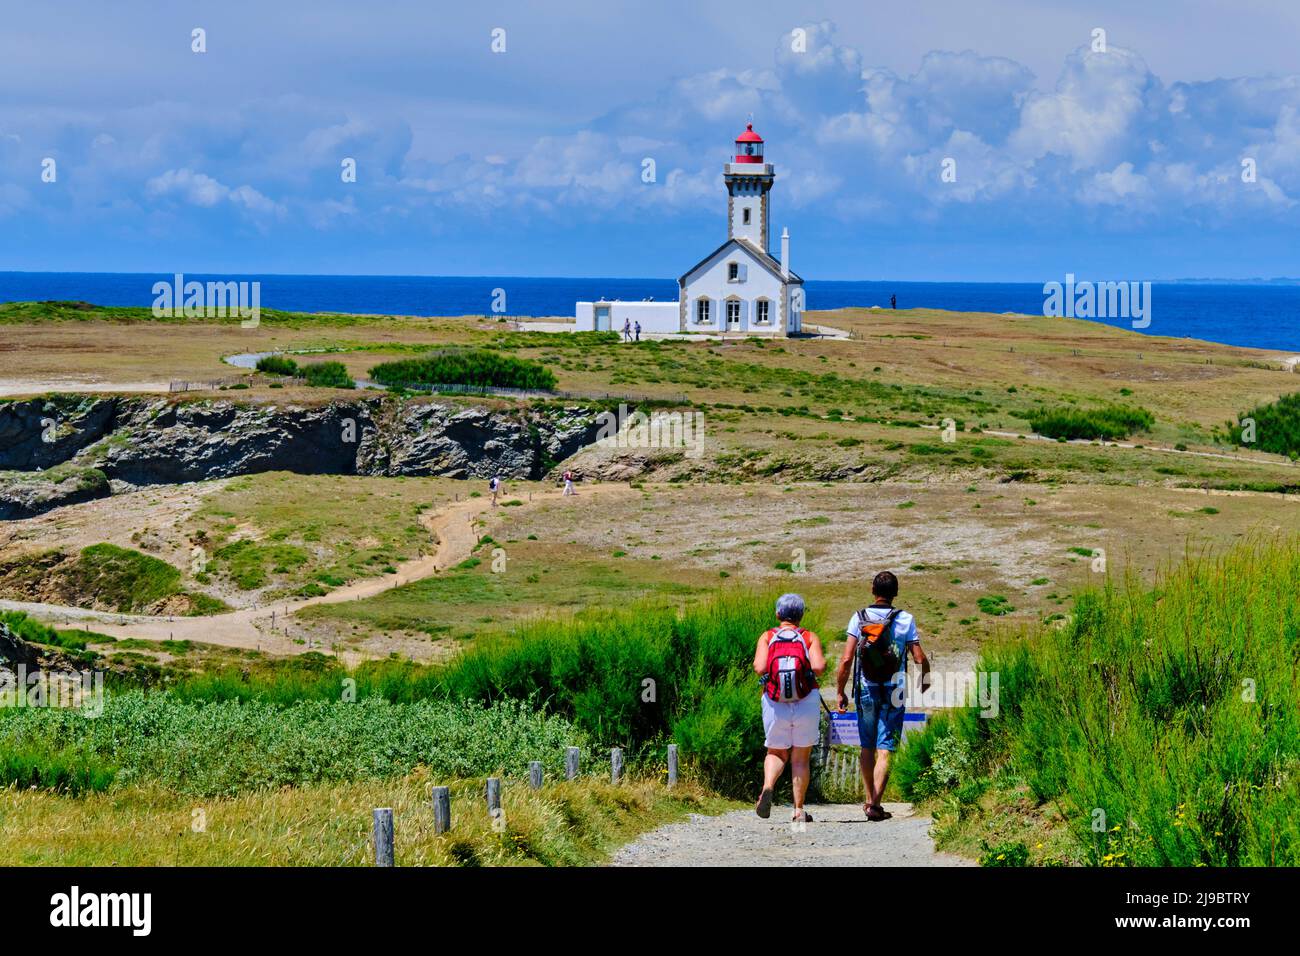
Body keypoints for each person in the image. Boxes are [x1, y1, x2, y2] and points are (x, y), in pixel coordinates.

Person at [835, 571, 930, 821]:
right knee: (885, 748)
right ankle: (876, 804)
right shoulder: (906, 618)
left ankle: (869, 800)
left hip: (865, 688)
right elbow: (919, 657)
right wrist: (926, 679)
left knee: (867, 746)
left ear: (873, 591)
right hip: (894, 690)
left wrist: (840, 692)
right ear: (895, 593)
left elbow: (846, 660)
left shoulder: (858, 618)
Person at [753, 593, 826, 824]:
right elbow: (819, 667)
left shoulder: (767, 636)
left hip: (775, 703)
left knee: (775, 752)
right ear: (801, 615)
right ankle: (798, 810)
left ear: (778, 614)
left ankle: (767, 786)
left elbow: (759, 667)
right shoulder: (809, 636)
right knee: (800, 759)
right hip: (806, 701)